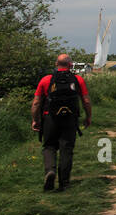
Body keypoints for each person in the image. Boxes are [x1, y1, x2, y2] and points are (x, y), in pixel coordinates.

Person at [31, 54, 92, 192]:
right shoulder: (78, 80)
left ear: (56, 64)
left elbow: (36, 103)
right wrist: (88, 117)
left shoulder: (46, 80)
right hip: (70, 119)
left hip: (50, 118)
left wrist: (35, 119)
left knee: (49, 147)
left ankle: (50, 171)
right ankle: (64, 183)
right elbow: (86, 101)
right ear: (70, 65)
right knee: (66, 149)